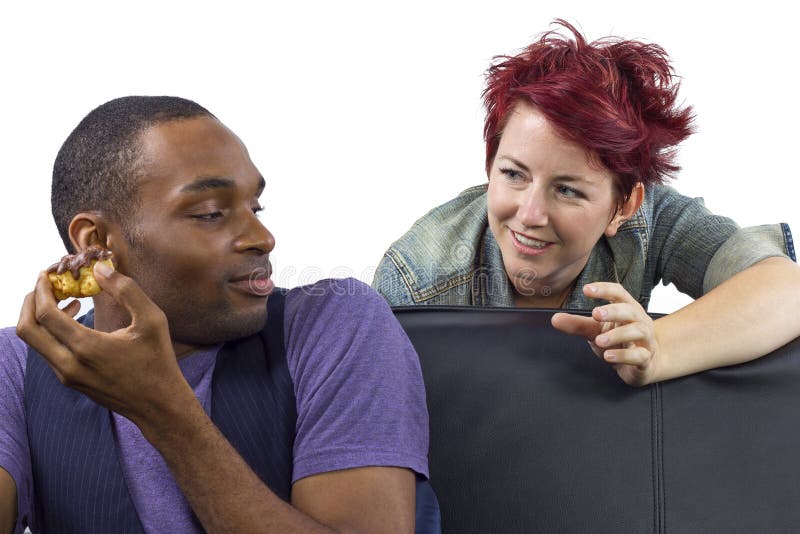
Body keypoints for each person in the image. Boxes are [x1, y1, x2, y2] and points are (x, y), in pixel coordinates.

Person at [0, 96, 438, 533]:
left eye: (256, 207)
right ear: (96, 243)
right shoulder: (17, 369)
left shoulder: (335, 325)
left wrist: (164, 411)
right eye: (211, 214)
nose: (262, 237)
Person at [372, 20, 800, 387]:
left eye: (567, 190)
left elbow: (787, 290)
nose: (530, 214)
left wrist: (661, 349)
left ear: (623, 207)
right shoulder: (414, 280)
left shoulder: (655, 219)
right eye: (513, 174)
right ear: (490, 167)